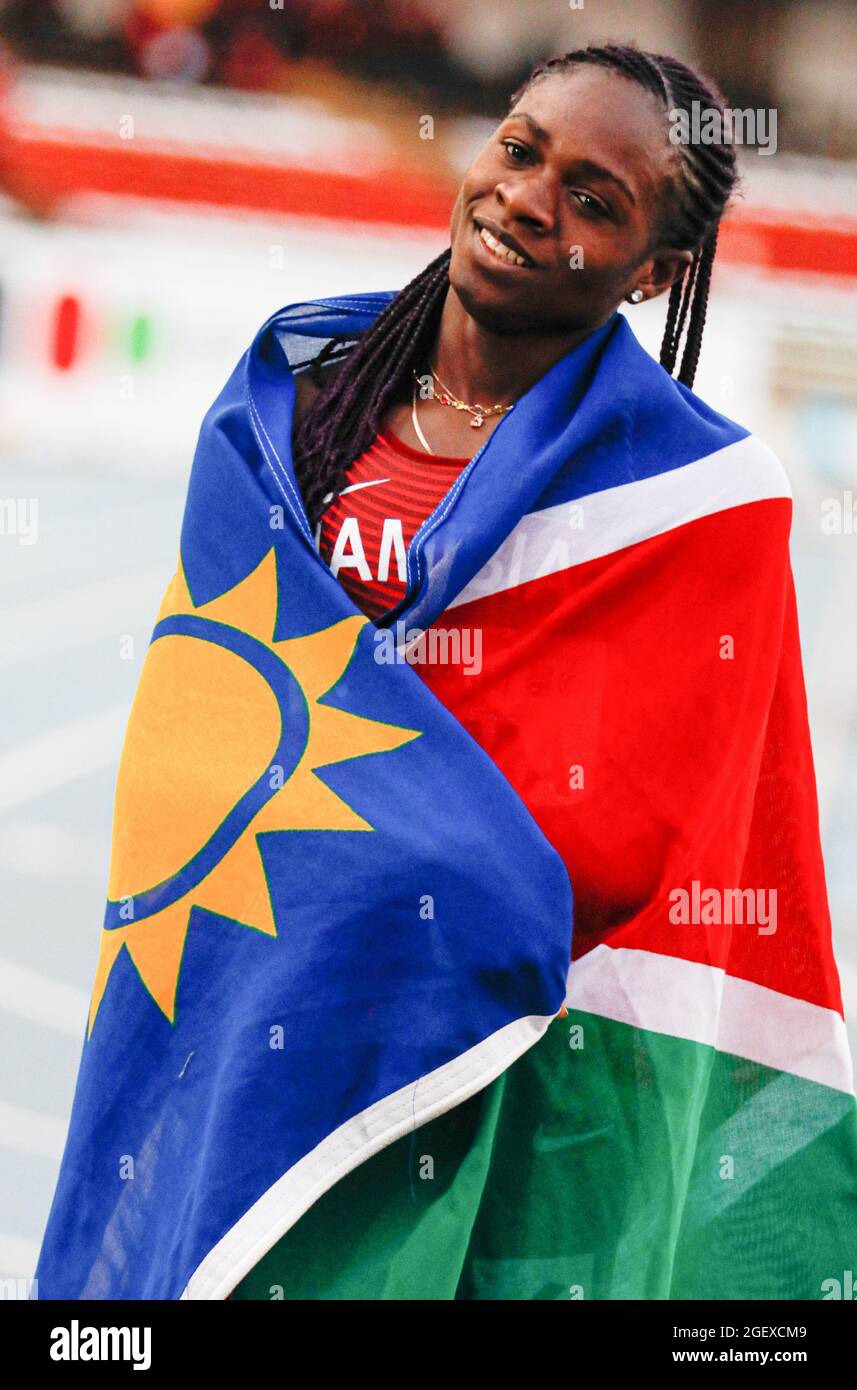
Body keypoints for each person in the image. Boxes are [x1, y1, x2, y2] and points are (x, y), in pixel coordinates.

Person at [35, 42, 857, 1303]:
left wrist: (401, 863)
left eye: (593, 198)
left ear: (658, 272)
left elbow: (639, 834)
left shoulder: (691, 506)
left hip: (466, 1064)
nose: (527, 197)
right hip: (241, 977)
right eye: (520, 148)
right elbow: (198, 709)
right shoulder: (293, 403)